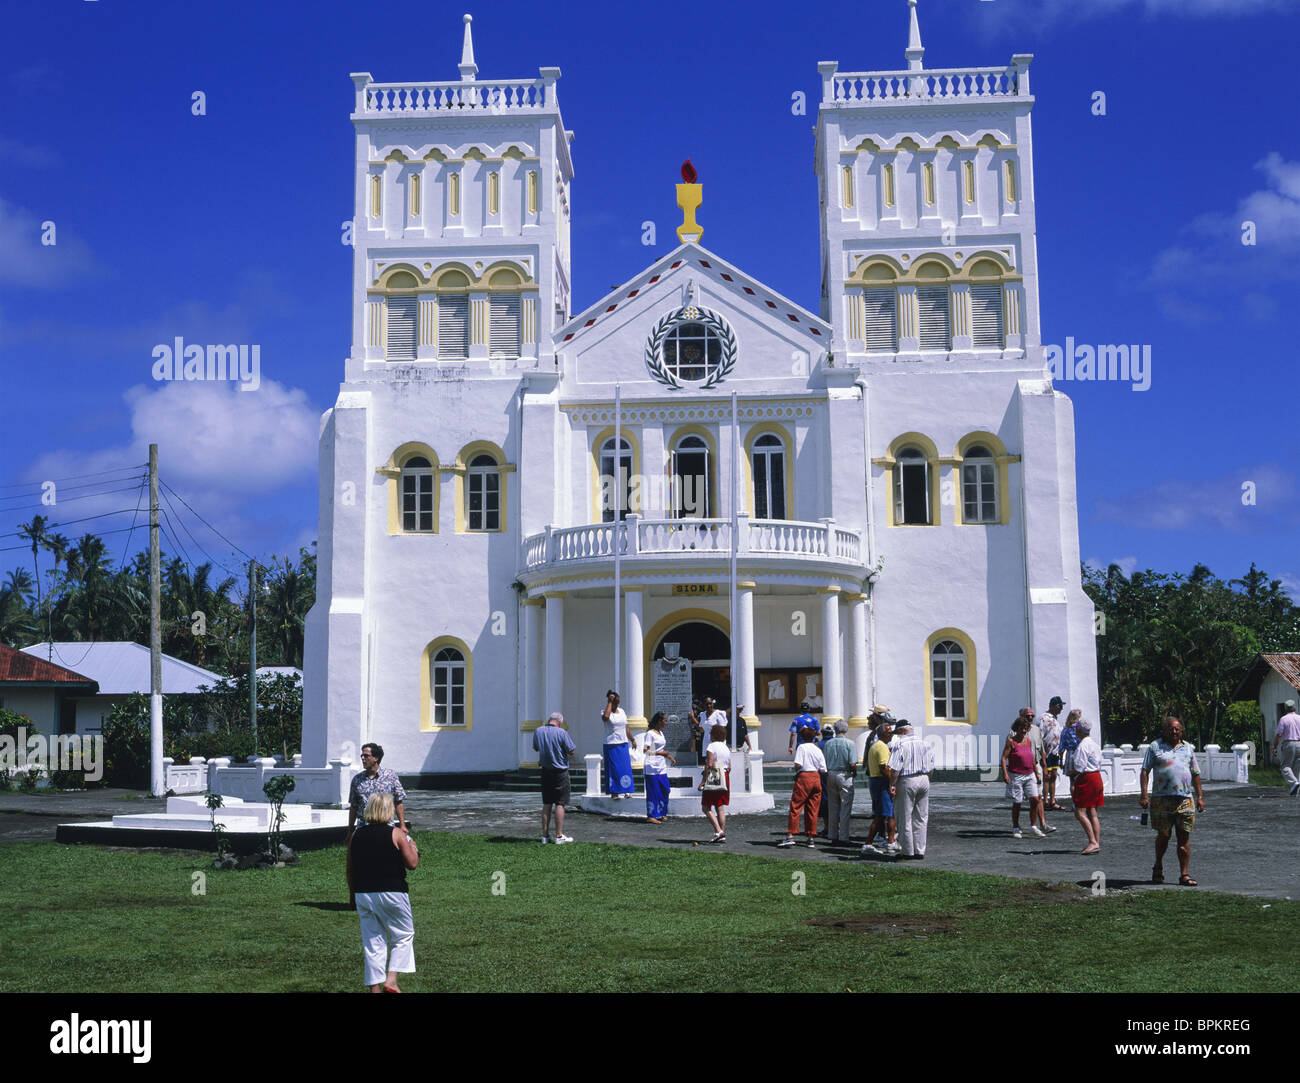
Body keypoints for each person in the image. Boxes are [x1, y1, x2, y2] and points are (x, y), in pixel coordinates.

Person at [349, 792, 419, 993]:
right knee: (404, 934)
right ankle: (392, 979)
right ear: (389, 811)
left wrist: (352, 894)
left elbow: (351, 867)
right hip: (392, 892)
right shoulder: (396, 834)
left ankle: (375, 990)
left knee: (372, 942)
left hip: (363, 893)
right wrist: (412, 846)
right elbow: (412, 863)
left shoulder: (356, 835)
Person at [1139, 716, 1206, 886]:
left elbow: (1195, 773)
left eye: (1177, 729)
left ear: (1181, 731)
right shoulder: (1155, 747)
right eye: (1171, 728)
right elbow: (1145, 771)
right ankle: (1158, 867)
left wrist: (1200, 797)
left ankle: (1184, 874)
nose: (1174, 731)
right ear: (1165, 730)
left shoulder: (1188, 748)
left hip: (1184, 799)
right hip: (1162, 799)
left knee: (1184, 837)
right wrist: (1144, 795)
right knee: (1164, 835)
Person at [346, 742, 408, 908]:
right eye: (362, 755)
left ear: (376, 758)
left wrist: (402, 825)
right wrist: (350, 829)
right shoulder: (357, 780)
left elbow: (399, 801)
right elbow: (353, 806)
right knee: (354, 864)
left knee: (383, 863)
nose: (363, 758)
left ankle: (386, 895)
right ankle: (354, 898)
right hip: (362, 829)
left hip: (386, 829)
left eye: (366, 755)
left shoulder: (391, 776)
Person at [888, 720, 934, 859]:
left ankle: (907, 851)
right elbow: (931, 767)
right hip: (924, 778)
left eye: (898, 733)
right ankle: (919, 850)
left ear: (902, 731)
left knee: (904, 816)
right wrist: (926, 779)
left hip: (907, 779)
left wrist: (892, 784)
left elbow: (895, 769)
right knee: (921, 817)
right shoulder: (926, 743)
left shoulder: (900, 744)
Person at [532, 711, 576, 843]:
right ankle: (559, 835)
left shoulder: (538, 731)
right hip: (560, 771)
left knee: (546, 803)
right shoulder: (562, 732)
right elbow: (571, 750)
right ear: (560, 722)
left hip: (545, 770)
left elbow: (536, 748)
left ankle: (545, 836)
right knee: (560, 803)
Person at [779, 726, 825, 848]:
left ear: (802, 737)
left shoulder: (802, 747)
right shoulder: (817, 749)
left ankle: (790, 835)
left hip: (804, 777)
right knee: (813, 809)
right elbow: (823, 769)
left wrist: (796, 770)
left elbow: (798, 764)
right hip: (816, 777)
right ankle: (810, 837)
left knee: (796, 806)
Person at [860, 717, 899, 856]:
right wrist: (892, 783)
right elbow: (884, 768)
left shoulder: (875, 745)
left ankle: (890, 841)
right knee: (883, 815)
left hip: (875, 781)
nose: (891, 735)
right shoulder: (882, 747)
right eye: (889, 733)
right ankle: (870, 843)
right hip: (881, 782)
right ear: (882, 734)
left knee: (885, 814)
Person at [1002, 716, 1044, 839]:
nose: (1024, 731)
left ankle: (1033, 826)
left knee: (1035, 799)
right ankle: (1015, 827)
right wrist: (1005, 774)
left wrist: (1036, 772)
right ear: (1017, 728)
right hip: (1016, 775)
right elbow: (1004, 758)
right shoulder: (1011, 741)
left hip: (1030, 773)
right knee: (1017, 802)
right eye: (1022, 728)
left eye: (1026, 728)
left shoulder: (1028, 741)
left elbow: (1031, 758)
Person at [1067, 718, 1104, 854]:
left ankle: (1093, 841)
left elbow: (1079, 766)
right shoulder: (1094, 744)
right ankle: (1096, 842)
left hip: (1087, 778)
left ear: (1079, 731)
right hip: (1096, 777)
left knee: (1080, 812)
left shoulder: (1083, 745)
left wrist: (1070, 771)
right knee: (1092, 811)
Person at [822, 720, 857, 845]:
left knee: (833, 806)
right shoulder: (850, 743)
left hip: (831, 773)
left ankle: (832, 834)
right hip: (844, 774)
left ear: (835, 730)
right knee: (845, 806)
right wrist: (854, 772)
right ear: (846, 730)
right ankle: (843, 835)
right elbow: (853, 763)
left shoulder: (828, 744)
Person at [698, 723, 732, 842]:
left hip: (714, 777)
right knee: (720, 807)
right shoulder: (725, 747)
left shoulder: (711, 746)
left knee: (706, 807)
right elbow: (729, 766)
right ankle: (722, 834)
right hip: (724, 777)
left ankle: (718, 831)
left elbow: (709, 764)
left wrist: (703, 781)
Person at [642, 711, 675, 823]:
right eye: (665, 720)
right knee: (653, 791)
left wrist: (669, 757)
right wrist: (661, 754)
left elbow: (661, 749)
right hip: (651, 766)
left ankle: (661, 812)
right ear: (659, 721)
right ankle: (651, 815)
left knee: (665, 789)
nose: (666, 723)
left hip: (661, 766)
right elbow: (645, 751)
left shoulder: (660, 733)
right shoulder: (650, 734)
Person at [601, 690, 635, 799]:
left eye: (618, 702)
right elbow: (605, 718)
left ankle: (627, 790)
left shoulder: (622, 711)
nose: (617, 704)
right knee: (613, 768)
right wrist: (610, 703)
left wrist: (632, 739)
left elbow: (626, 727)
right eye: (615, 701)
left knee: (625, 768)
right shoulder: (605, 711)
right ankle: (614, 792)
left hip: (623, 743)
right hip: (611, 744)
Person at [1272, 699, 1300, 796]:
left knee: (1285, 766)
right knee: (1297, 768)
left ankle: (1293, 783)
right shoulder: (1299, 718)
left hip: (1289, 743)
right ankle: (1295, 791)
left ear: (1285, 709)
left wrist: (1275, 746)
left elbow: (1279, 734)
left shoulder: (1284, 719)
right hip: (1299, 743)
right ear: (1294, 708)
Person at [1040, 704, 1065, 810]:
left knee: (1054, 776)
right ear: (1053, 706)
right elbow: (1040, 735)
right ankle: (1045, 801)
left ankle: (1052, 800)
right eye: (1059, 707)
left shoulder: (1055, 719)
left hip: (1055, 752)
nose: (1061, 710)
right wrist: (1042, 753)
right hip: (1047, 752)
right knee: (1047, 777)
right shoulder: (1044, 718)